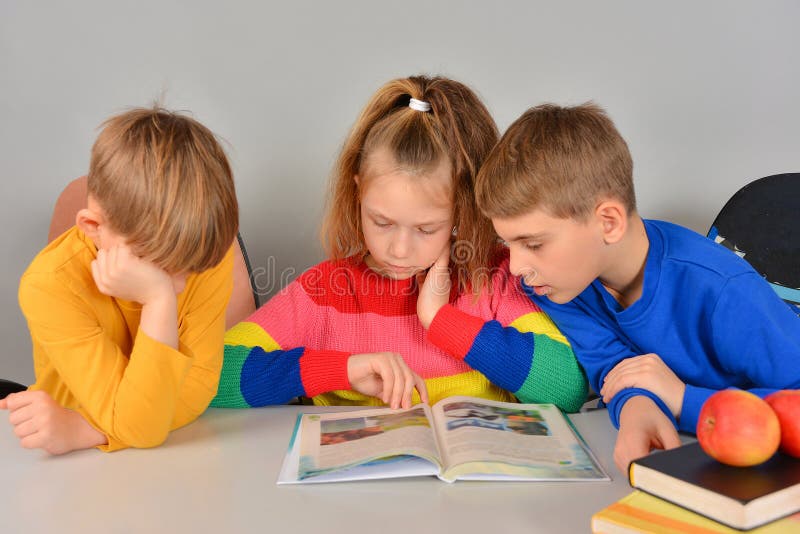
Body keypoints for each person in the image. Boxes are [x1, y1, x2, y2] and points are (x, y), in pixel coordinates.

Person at [212, 75, 588, 411]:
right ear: (357, 189)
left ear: (462, 209)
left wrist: (442, 321)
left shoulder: (493, 278)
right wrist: (339, 370)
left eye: (426, 229)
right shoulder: (324, 292)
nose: (399, 250)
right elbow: (210, 376)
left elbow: (567, 388)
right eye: (382, 222)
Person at [472, 102, 800, 472]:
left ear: (608, 223)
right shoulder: (561, 283)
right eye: (509, 244)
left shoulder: (722, 291)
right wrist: (635, 405)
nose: (515, 267)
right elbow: (614, 365)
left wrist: (681, 400)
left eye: (533, 244)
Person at [1, 107, 239, 454]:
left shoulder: (198, 257)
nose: (181, 283)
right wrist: (159, 302)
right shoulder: (48, 285)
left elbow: (198, 391)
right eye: (158, 266)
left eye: (189, 267)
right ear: (93, 227)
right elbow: (143, 429)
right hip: (78, 477)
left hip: (137, 457)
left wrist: (88, 430)